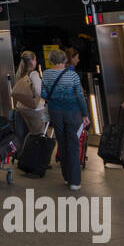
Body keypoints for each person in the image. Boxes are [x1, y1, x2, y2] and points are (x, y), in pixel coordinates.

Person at [41, 49, 90, 190]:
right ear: (64, 60)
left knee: (62, 142)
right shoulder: (72, 75)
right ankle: (75, 181)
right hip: (72, 112)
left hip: (55, 111)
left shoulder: (46, 74)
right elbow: (80, 96)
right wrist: (85, 114)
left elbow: (44, 93)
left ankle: (67, 176)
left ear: (51, 60)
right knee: (73, 144)